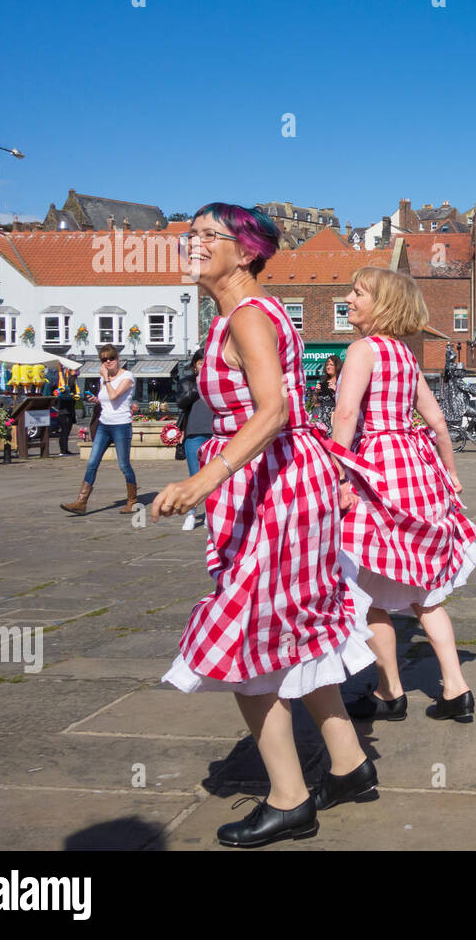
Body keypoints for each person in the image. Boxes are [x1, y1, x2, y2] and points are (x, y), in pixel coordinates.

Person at [155, 203, 376, 847]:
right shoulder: (251, 311)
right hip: (285, 480)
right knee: (293, 626)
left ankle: (289, 798)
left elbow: (274, 408)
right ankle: (349, 764)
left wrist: (201, 478)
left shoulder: (249, 314)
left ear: (245, 252)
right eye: (189, 235)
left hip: (273, 483)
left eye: (207, 238)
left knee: (242, 642)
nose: (193, 245)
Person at [328, 267, 476, 723]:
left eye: (357, 293)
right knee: (426, 592)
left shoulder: (361, 350)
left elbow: (344, 415)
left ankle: (389, 690)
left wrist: (336, 475)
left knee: (367, 588)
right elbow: (438, 422)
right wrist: (452, 473)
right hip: (415, 472)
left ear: (381, 304)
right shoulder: (403, 354)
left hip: (375, 473)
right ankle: (456, 689)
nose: (348, 298)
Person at [61, 344, 137, 515]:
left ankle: (132, 500)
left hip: (121, 425)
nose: (108, 362)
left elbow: (114, 395)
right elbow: (106, 399)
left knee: (124, 465)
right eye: (104, 360)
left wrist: (106, 378)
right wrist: (96, 399)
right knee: (92, 462)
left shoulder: (128, 376)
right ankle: (81, 502)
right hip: (104, 424)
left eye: (111, 358)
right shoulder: (104, 378)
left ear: (117, 359)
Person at [177, 349, 214, 531]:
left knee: (214, 476)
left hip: (216, 433)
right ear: (195, 366)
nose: (204, 365)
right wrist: (199, 384)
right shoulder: (188, 382)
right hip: (194, 432)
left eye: (207, 362)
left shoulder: (218, 381)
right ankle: (191, 513)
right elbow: (182, 402)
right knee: (195, 476)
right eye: (201, 363)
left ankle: (210, 513)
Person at [310, 355, 342, 438]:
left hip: (333, 417)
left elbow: (345, 401)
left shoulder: (341, 382)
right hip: (321, 417)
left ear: (337, 367)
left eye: (331, 365)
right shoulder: (323, 381)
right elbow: (316, 403)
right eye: (327, 365)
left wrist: (336, 390)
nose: (328, 367)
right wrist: (316, 392)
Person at [53, 374, 77, 456]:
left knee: (66, 432)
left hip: (68, 412)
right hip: (64, 412)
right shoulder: (64, 390)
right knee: (64, 431)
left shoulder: (72, 390)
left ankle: (65, 449)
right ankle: (63, 450)